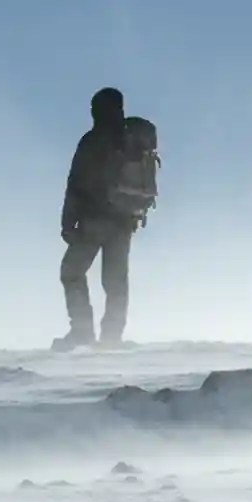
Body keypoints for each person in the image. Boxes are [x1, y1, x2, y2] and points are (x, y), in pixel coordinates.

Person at [53, 87, 142, 351]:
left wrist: (67, 222)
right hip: (125, 221)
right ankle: (112, 337)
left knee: (71, 271)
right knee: (115, 281)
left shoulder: (93, 140)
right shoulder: (132, 141)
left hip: (95, 219)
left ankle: (82, 332)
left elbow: (76, 182)